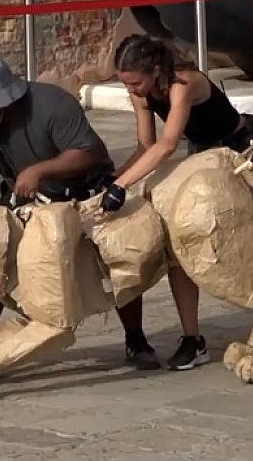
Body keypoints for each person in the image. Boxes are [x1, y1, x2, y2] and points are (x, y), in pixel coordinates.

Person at [0, 58, 160, 371]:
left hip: (85, 194)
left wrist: (39, 170)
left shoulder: (53, 104)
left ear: (6, 102)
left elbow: (89, 152)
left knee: (117, 255)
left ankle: (136, 339)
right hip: (29, 204)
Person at [100, 34, 253, 370]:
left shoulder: (183, 82)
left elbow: (167, 145)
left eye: (135, 83)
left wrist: (122, 185)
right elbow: (146, 146)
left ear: (156, 70)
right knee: (178, 240)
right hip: (202, 156)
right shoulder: (141, 93)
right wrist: (111, 183)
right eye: (125, 85)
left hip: (240, 151)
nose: (132, 91)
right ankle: (192, 338)